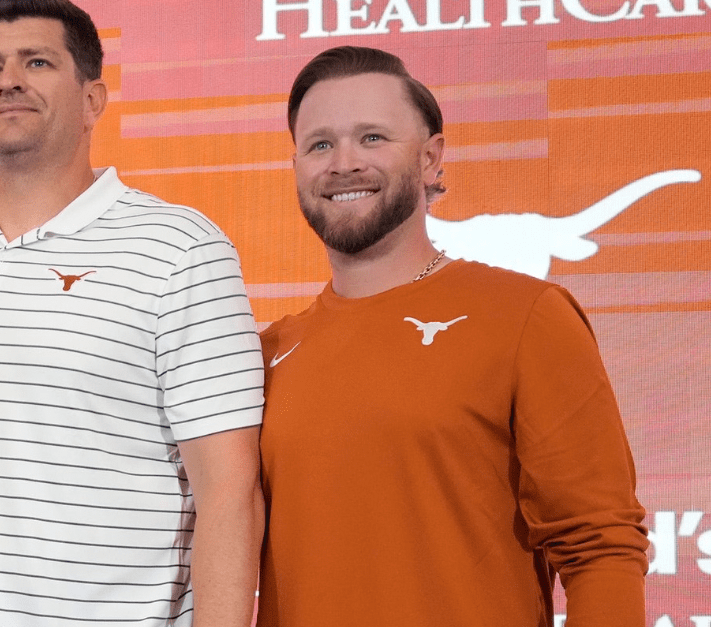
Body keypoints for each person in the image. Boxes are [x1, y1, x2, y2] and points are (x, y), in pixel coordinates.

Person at [0, 0, 264, 625]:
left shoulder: (180, 248)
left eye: (38, 62)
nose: (9, 81)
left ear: (92, 100)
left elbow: (230, 494)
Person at [255, 45, 649, 627]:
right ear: (296, 168)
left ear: (431, 159)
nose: (343, 163)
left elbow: (600, 547)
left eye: (372, 138)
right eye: (319, 144)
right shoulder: (263, 355)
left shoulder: (526, 315)